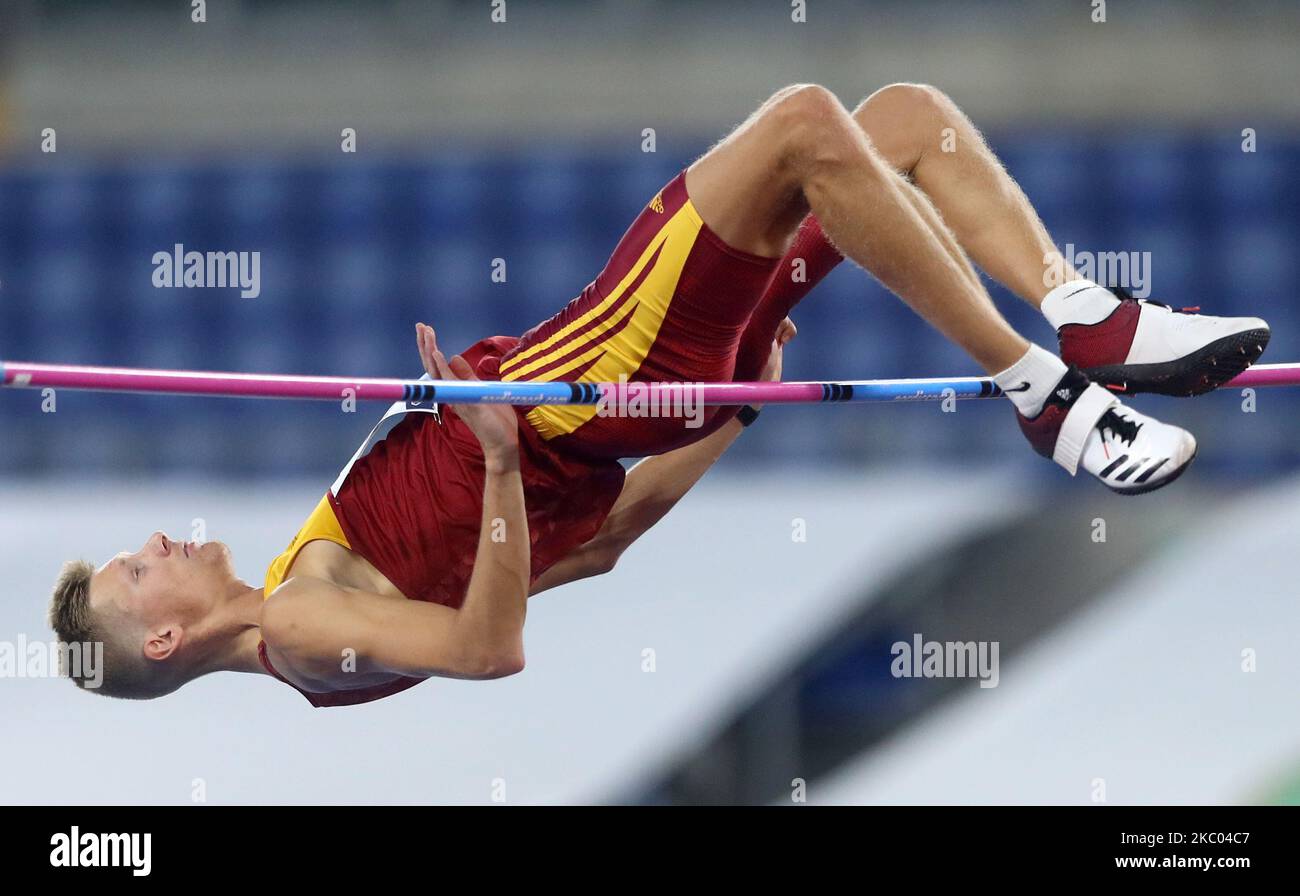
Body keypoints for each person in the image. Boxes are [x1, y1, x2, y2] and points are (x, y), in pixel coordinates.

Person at [50, 83, 1269, 705]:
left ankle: (1076, 317)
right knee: (807, 123)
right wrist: (496, 454)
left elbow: (607, 542)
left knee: (892, 125)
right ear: (163, 635)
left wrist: (733, 406)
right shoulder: (301, 628)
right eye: (134, 567)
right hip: (607, 369)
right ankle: (1043, 382)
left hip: (638, 389)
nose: (153, 541)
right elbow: (490, 648)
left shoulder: (316, 592)